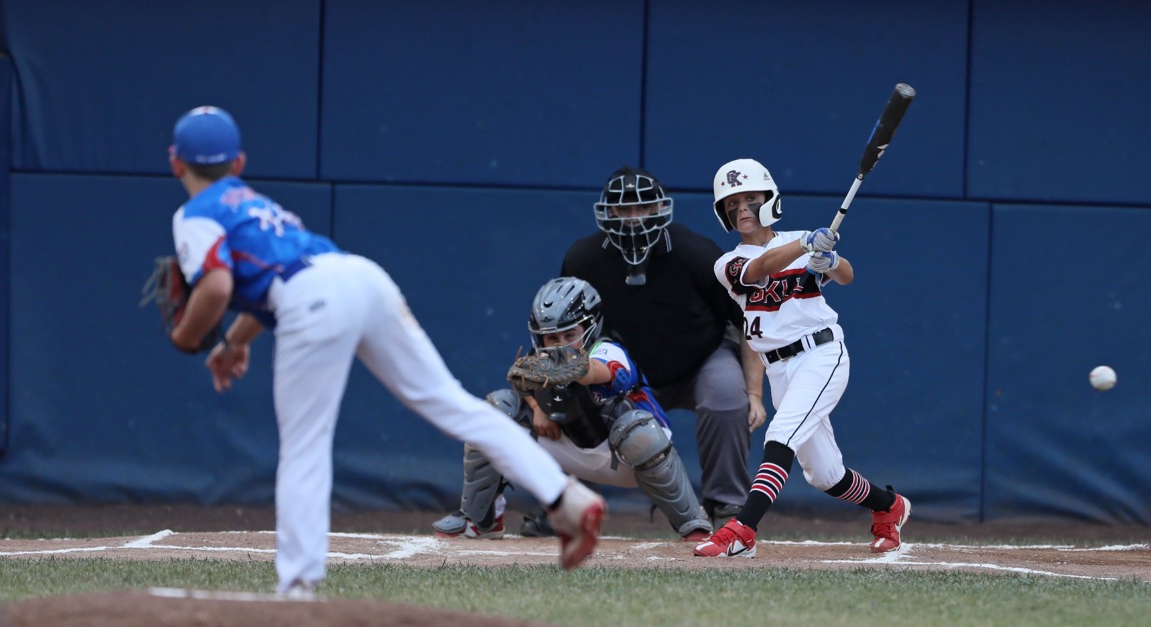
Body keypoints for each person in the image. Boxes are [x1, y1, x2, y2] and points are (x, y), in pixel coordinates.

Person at [162, 106, 605, 596]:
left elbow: (217, 285)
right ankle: (564, 497)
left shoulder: (195, 212)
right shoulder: (254, 203)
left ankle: (297, 587)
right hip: (361, 277)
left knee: (304, 446)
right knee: (451, 403)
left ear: (175, 162)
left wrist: (187, 336)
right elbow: (281, 274)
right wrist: (232, 343)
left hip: (312, 300)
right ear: (239, 163)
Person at [693, 158, 911, 558]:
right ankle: (889, 507)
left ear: (769, 200)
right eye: (732, 203)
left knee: (781, 435)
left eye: (750, 198)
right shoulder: (726, 263)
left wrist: (829, 261)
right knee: (824, 474)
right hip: (779, 367)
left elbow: (847, 276)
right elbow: (760, 266)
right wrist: (807, 244)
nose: (741, 207)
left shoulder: (800, 241)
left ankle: (743, 529)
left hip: (822, 353)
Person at [560, 165, 766, 528]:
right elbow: (565, 330)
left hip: (698, 360)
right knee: (567, 402)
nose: (634, 219)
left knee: (727, 398)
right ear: (608, 213)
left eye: (642, 208)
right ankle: (560, 503)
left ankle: (727, 505)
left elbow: (747, 320)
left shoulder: (696, 253)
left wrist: (754, 393)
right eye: (624, 209)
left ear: (660, 209)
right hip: (617, 369)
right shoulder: (583, 259)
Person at [432, 277, 713, 542]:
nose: (560, 345)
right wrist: (536, 408)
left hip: (623, 459)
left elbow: (597, 372)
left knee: (637, 429)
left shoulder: (606, 350)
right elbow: (523, 385)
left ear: (589, 329)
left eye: (570, 335)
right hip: (566, 449)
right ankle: (481, 519)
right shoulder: (536, 359)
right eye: (552, 339)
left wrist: (574, 367)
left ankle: (692, 523)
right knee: (496, 409)